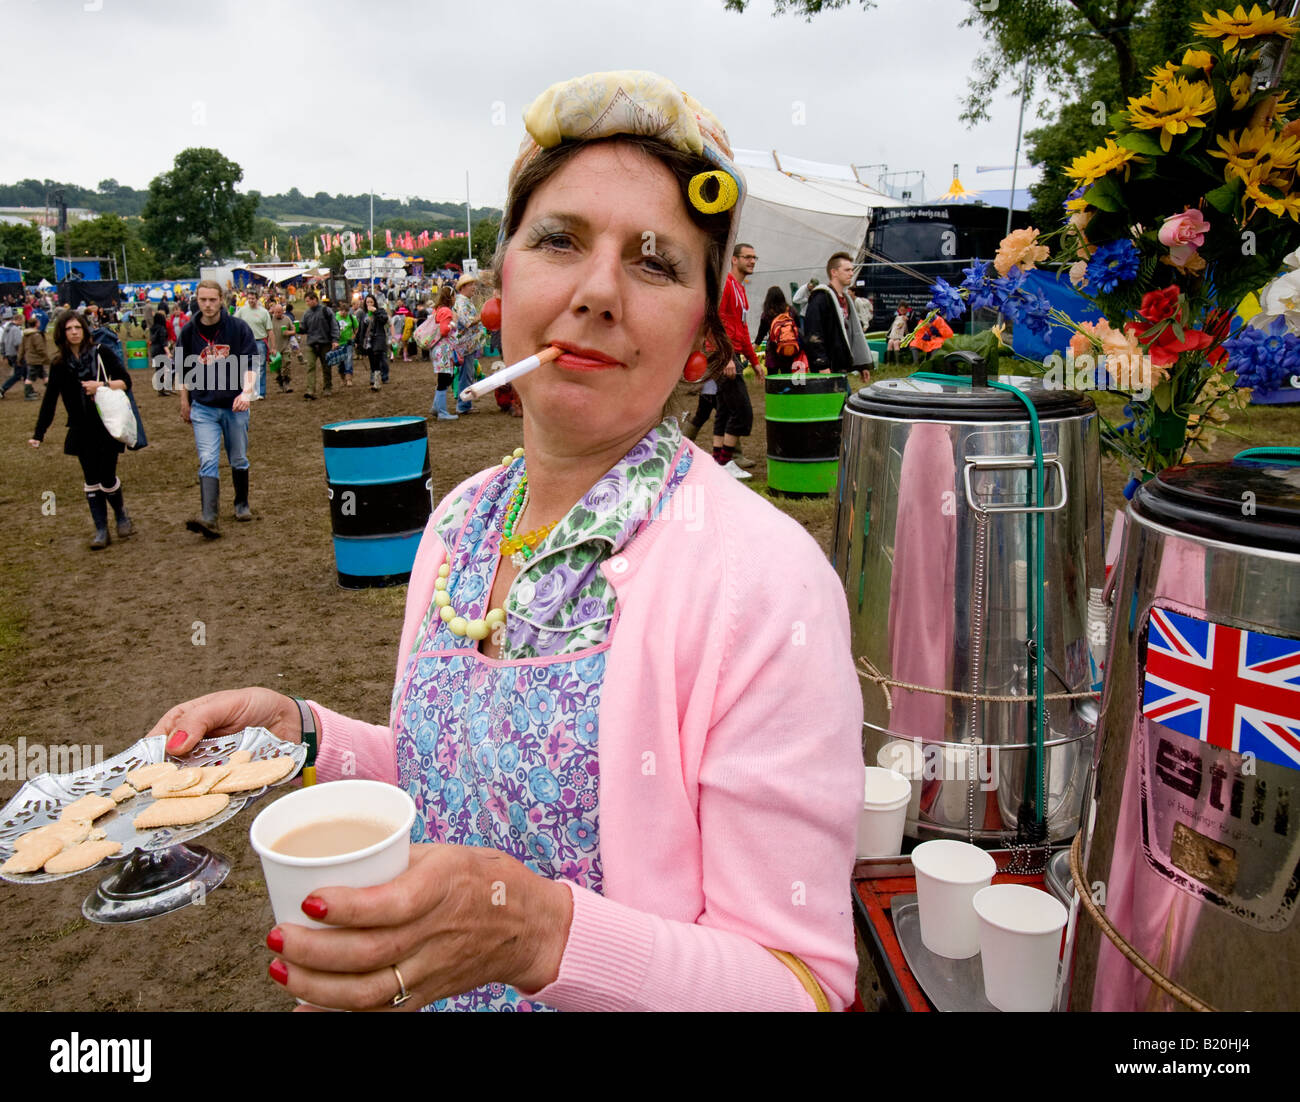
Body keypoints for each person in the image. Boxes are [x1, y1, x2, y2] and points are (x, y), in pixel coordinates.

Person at [148, 70, 862, 1014]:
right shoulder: (461, 521)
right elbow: (458, 777)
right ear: (504, 287)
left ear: (701, 331)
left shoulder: (768, 583)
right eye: (561, 240)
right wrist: (306, 734)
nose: (599, 291)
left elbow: (797, 986)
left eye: (655, 263)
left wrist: (537, 933)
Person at [28, 312, 134, 549]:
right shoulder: (59, 364)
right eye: (69, 328)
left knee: (107, 476)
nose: (74, 332)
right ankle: (101, 529)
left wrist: (101, 385)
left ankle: (121, 515)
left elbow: (126, 381)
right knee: (91, 478)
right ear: (61, 333)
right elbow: (50, 400)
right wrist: (39, 433)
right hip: (80, 428)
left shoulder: (101, 353)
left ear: (85, 330)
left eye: (78, 327)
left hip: (106, 425)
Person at [178, 280, 257, 537]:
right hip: (204, 407)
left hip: (234, 406)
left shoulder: (238, 328)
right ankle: (209, 517)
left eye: (213, 300)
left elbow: (250, 365)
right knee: (208, 459)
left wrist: (246, 393)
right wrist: (184, 401)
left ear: (221, 299)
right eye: (203, 300)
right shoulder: (189, 332)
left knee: (238, 458)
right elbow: (182, 370)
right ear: (197, 300)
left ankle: (241, 504)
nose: (208, 305)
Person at [712, 241, 762, 478]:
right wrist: (725, 357)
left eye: (754, 258)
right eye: (747, 257)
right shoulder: (727, 285)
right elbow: (715, 320)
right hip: (724, 354)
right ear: (734, 259)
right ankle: (724, 463)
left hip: (733, 353)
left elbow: (742, 329)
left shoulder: (740, 289)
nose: (752, 261)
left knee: (724, 409)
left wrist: (754, 361)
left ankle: (718, 462)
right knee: (742, 412)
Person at [803, 252, 873, 381]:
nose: (851, 273)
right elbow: (813, 333)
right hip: (826, 368)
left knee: (845, 399)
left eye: (852, 270)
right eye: (847, 270)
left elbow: (853, 333)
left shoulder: (846, 300)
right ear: (834, 272)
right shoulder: (821, 298)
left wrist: (862, 365)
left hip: (840, 367)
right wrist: (822, 364)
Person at [298, 291, 340, 398]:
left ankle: (328, 387)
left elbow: (334, 326)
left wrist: (335, 340)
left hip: (325, 343)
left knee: (326, 367)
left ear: (315, 299)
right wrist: (298, 329)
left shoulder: (326, 311)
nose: (307, 303)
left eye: (308, 301)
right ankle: (310, 390)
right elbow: (304, 328)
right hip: (311, 344)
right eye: (306, 301)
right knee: (310, 366)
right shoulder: (306, 314)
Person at [451, 273, 482, 414]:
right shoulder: (462, 302)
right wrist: (481, 317)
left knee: (467, 374)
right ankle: (463, 405)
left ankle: (465, 404)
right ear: (463, 287)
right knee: (466, 375)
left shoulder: (464, 301)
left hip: (467, 344)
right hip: (465, 345)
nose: (474, 287)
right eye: (471, 285)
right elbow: (467, 321)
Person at [235, 287, 273, 401]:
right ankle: (248, 390)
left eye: (253, 298)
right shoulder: (242, 311)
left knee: (260, 367)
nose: (251, 300)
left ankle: (260, 392)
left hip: (260, 341)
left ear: (257, 299)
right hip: (245, 342)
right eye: (249, 298)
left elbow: (270, 330)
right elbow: (234, 323)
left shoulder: (264, 312)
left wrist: (273, 347)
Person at [427, 285, 459, 420]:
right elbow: (444, 330)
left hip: (438, 349)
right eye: (454, 296)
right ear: (450, 297)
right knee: (444, 379)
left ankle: (436, 407)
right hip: (444, 349)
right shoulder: (446, 311)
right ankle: (441, 412)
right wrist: (454, 323)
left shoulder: (437, 310)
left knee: (444, 378)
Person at [763, 288, 803, 375]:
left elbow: (760, 335)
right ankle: (787, 389)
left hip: (772, 351)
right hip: (788, 350)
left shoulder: (767, 313)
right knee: (787, 377)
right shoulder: (791, 311)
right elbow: (798, 328)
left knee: (772, 379)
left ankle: (773, 388)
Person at [356, 293, 389, 392]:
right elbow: (361, 328)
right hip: (368, 340)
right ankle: (375, 380)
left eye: (371, 302)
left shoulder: (380, 311)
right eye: (367, 302)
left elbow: (384, 319)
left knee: (377, 359)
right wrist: (358, 341)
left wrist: (376, 311)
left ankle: (377, 382)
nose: (369, 304)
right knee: (372, 361)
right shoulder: (363, 314)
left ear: (374, 302)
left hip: (378, 338)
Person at [267, 301, 297, 394]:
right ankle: (280, 384)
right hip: (274, 348)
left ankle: (287, 384)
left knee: (286, 364)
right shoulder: (270, 319)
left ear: (282, 311)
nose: (278, 314)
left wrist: (289, 333)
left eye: (279, 312)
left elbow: (294, 330)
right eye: (276, 312)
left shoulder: (287, 319)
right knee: (277, 367)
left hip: (285, 346)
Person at [0, 313, 28, 399]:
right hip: (16, 355)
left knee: (25, 372)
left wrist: (4, 354)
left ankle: (29, 389)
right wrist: (21, 355)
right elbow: (17, 344)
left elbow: (2, 342)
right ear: (19, 320)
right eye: (22, 320)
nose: (23, 322)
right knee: (18, 374)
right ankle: (3, 388)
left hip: (9, 354)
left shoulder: (7, 328)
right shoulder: (16, 329)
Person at [149, 306, 173, 396]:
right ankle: (162, 389)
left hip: (154, 350)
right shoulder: (162, 329)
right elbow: (163, 342)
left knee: (158, 370)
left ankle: (160, 389)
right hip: (160, 351)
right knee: (163, 370)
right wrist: (168, 352)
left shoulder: (152, 328)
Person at [335, 303, 357, 387]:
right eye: (342, 311)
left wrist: (353, 336)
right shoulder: (335, 317)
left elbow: (356, 327)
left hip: (348, 342)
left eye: (346, 312)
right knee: (340, 362)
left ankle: (349, 379)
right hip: (338, 342)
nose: (343, 313)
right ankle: (342, 378)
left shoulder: (351, 318)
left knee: (348, 359)